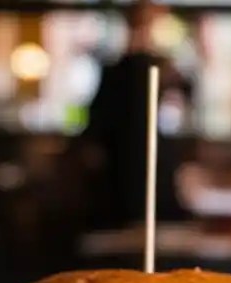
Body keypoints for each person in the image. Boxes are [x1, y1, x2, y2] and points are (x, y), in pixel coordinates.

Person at [81, 0, 189, 229]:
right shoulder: (120, 69)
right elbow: (99, 115)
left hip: (154, 152)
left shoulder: (165, 66)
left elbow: (185, 98)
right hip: (123, 155)